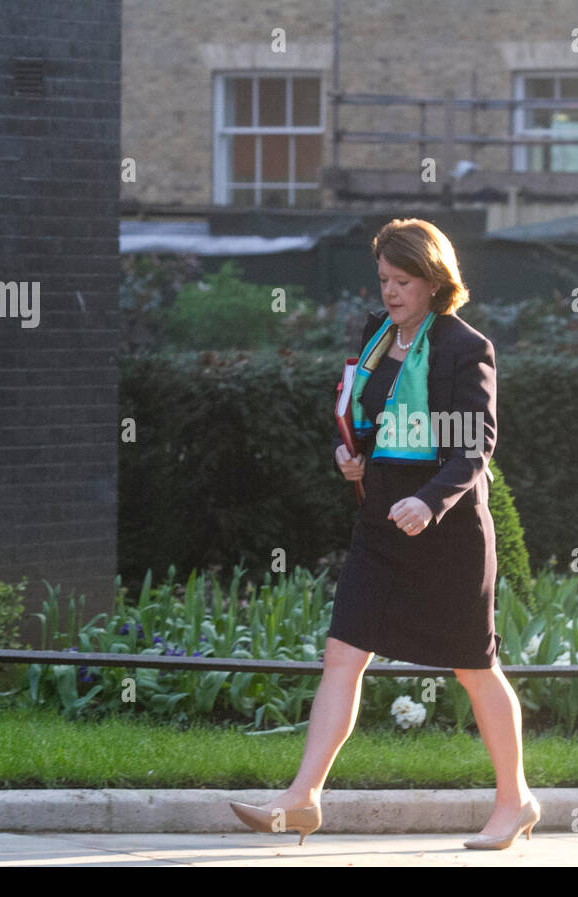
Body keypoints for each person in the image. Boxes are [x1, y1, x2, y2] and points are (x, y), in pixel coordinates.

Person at [228, 218, 540, 850]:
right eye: (383, 280)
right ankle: (303, 798)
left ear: (433, 281)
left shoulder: (463, 346)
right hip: (380, 524)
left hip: (446, 532)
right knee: (342, 653)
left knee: (474, 667)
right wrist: (355, 456)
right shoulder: (378, 336)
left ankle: (516, 801)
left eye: (402, 281)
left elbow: (474, 446)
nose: (390, 292)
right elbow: (372, 417)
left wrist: (429, 503)